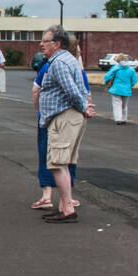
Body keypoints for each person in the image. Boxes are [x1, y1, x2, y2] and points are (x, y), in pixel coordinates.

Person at [36, 25, 94, 221]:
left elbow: (72, 90)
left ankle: (68, 208)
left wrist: (83, 107)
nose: (41, 44)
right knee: (64, 163)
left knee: (57, 163)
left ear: (57, 44)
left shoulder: (59, 63)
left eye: (45, 41)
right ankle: (63, 205)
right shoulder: (69, 60)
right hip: (68, 116)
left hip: (64, 117)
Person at [31, 47, 88, 210]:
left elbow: (36, 90)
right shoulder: (78, 70)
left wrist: (40, 112)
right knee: (68, 158)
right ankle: (67, 199)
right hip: (75, 118)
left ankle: (48, 196)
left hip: (54, 118)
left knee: (50, 158)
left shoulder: (51, 66)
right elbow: (85, 94)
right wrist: (84, 109)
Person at [102, 53, 138, 124]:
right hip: (126, 90)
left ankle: (118, 119)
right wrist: (129, 86)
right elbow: (134, 80)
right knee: (124, 105)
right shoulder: (131, 70)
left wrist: (107, 82)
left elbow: (107, 76)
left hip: (116, 89)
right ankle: (124, 119)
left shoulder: (115, 68)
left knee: (117, 104)